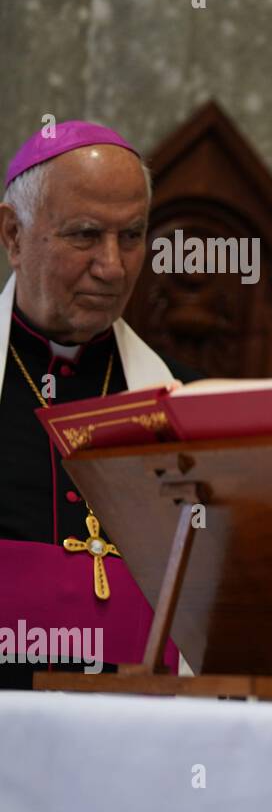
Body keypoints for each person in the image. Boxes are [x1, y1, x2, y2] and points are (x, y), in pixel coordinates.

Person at [0, 121, 196, 688]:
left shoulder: (183, 406)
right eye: (85, 236)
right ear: (13, 235)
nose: (112, 267)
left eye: (131, 236)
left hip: (134, 743)